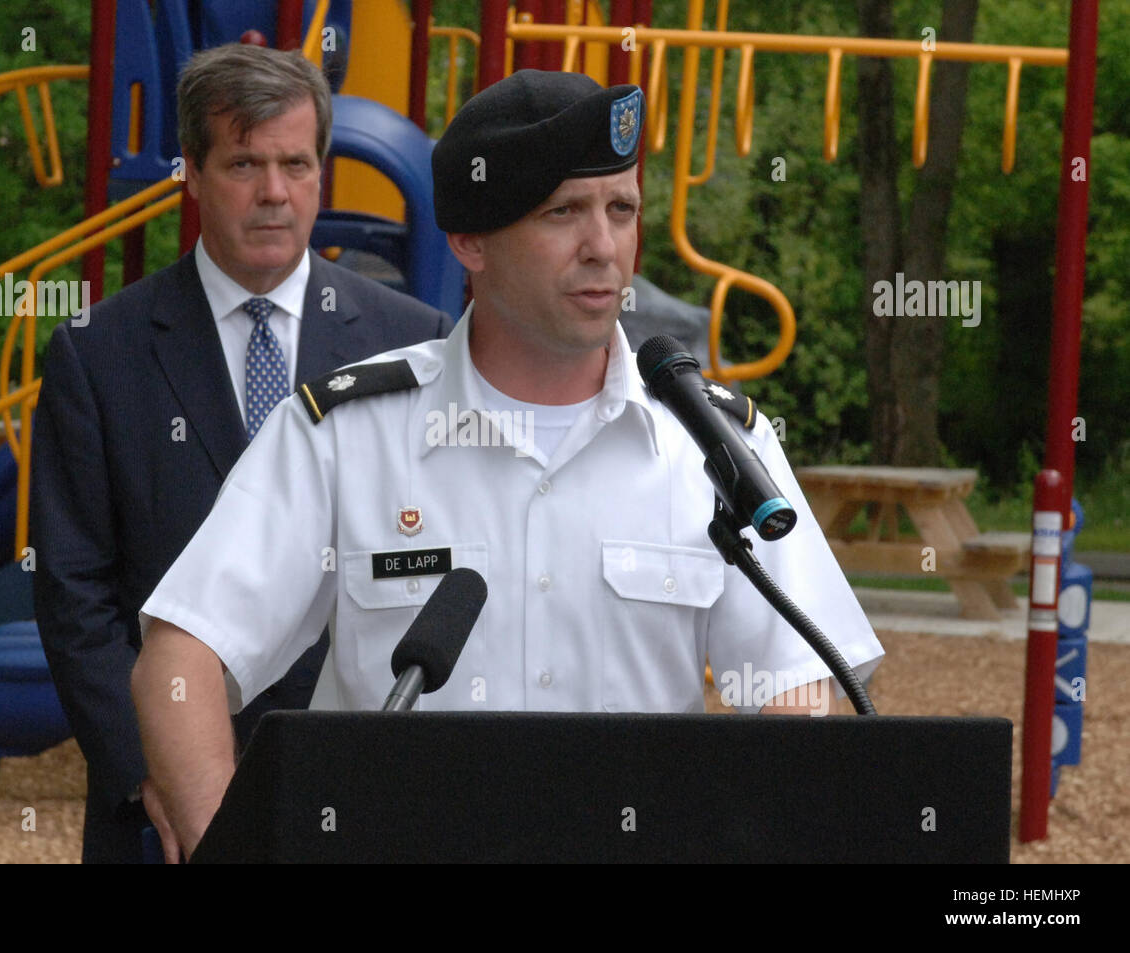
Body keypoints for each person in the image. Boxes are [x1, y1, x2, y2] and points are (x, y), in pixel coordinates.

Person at [132, 70, 884, 859]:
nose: (603, 247)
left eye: (621, 210)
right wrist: (226, 842)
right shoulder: (346, 435)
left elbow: (798, 686)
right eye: (563, 212)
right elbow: (183, 656)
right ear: (469, 240)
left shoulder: (714, 446)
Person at [30, 43, 451, 864]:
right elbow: (74, 592)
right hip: (159, 815)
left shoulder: (416, 345)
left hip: (361, 782)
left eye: (296, 164)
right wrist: (152, 766)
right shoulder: (97, 353)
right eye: (244, 164)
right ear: (190, 171)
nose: (273, 194)